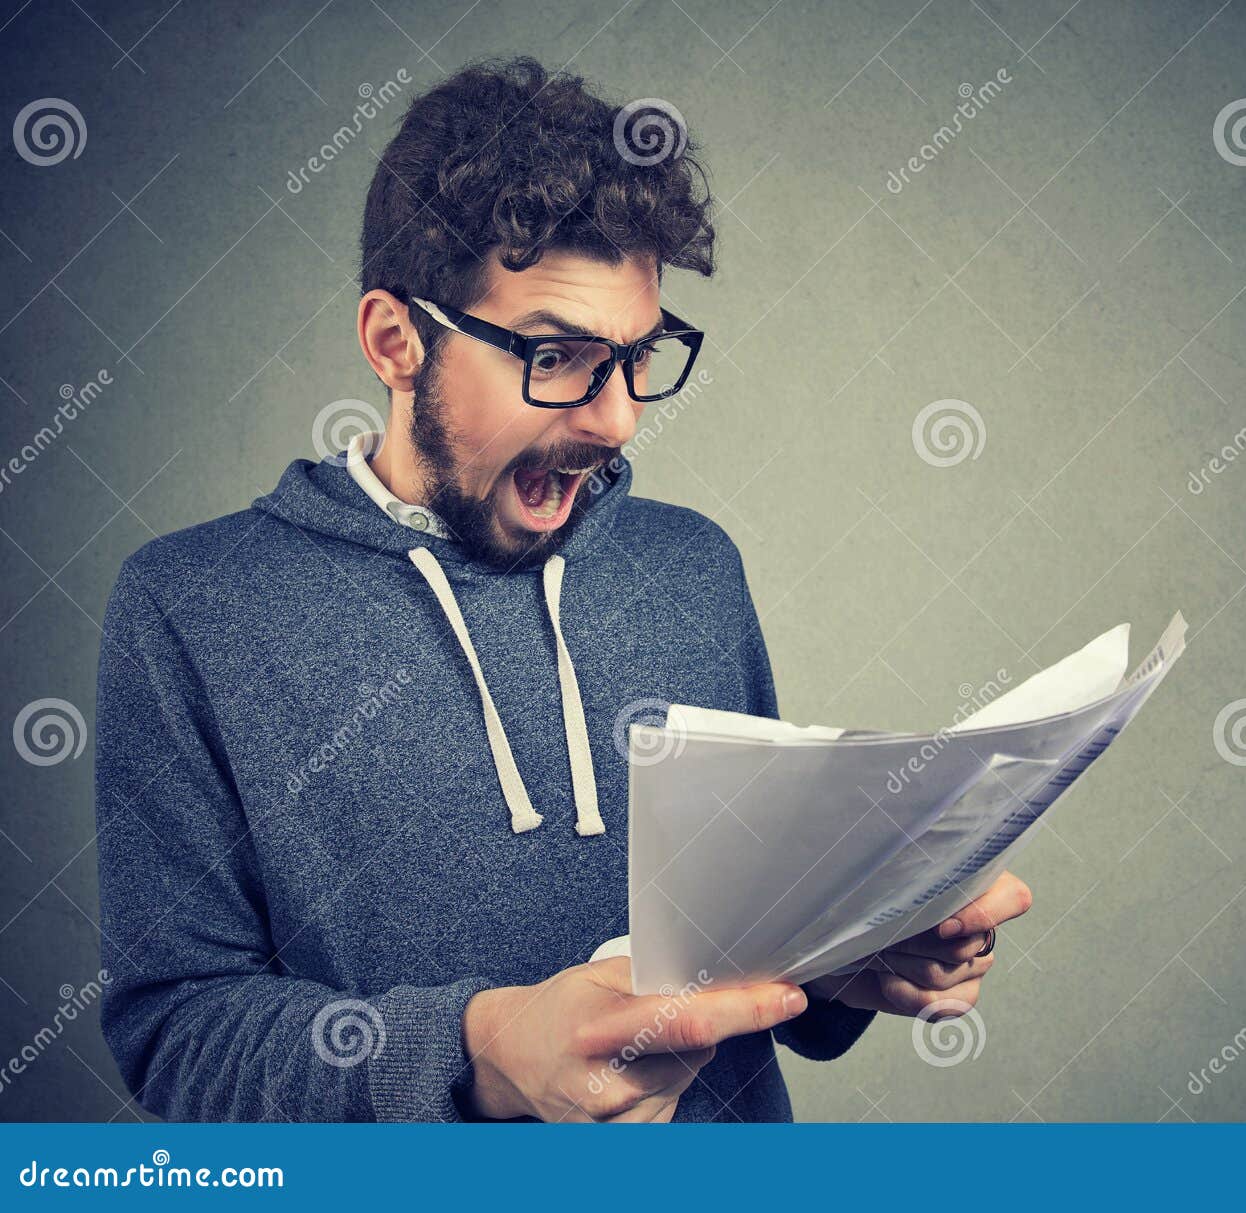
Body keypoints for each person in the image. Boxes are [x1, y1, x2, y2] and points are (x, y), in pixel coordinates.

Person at [93, 54, 1030, 1123]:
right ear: (396, 342)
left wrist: (855, 956)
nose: (617, 418)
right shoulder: (192, 606)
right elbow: (179, 1034)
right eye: (557, 356)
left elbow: (757, 936)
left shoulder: (692, 567)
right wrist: (478, 1056)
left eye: (639, 356)